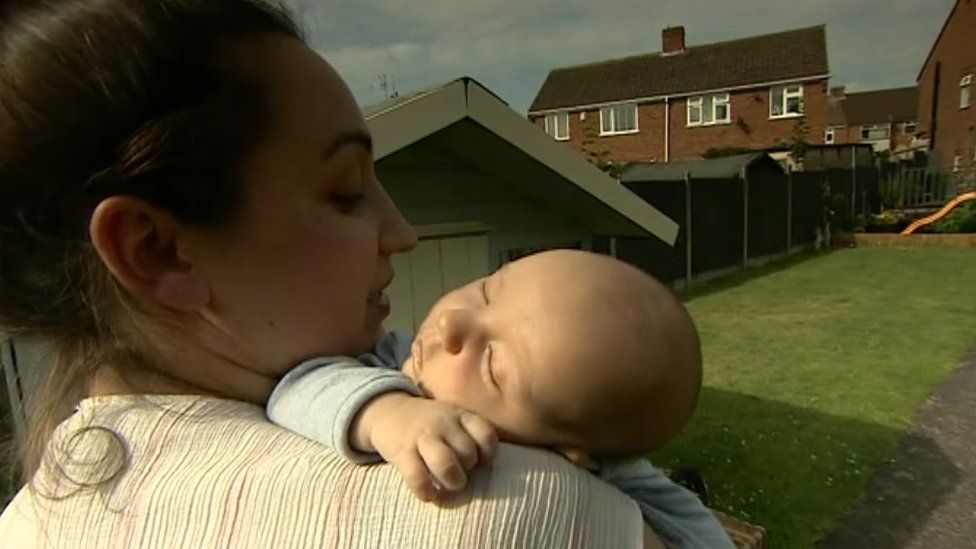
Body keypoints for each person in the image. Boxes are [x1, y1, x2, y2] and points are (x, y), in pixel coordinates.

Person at [0, 0, 664, 546]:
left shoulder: (28, 521)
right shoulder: (509, 509)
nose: (401, 233)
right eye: (346, 191)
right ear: (157, 251)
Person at [269, 249, 735, 548]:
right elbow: (296, 388)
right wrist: (384, 411)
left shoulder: (617, 478)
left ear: (566, 453)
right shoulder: (390, 364)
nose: (451, 323)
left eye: (491, 363)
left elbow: (700, 532)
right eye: (486, 291)